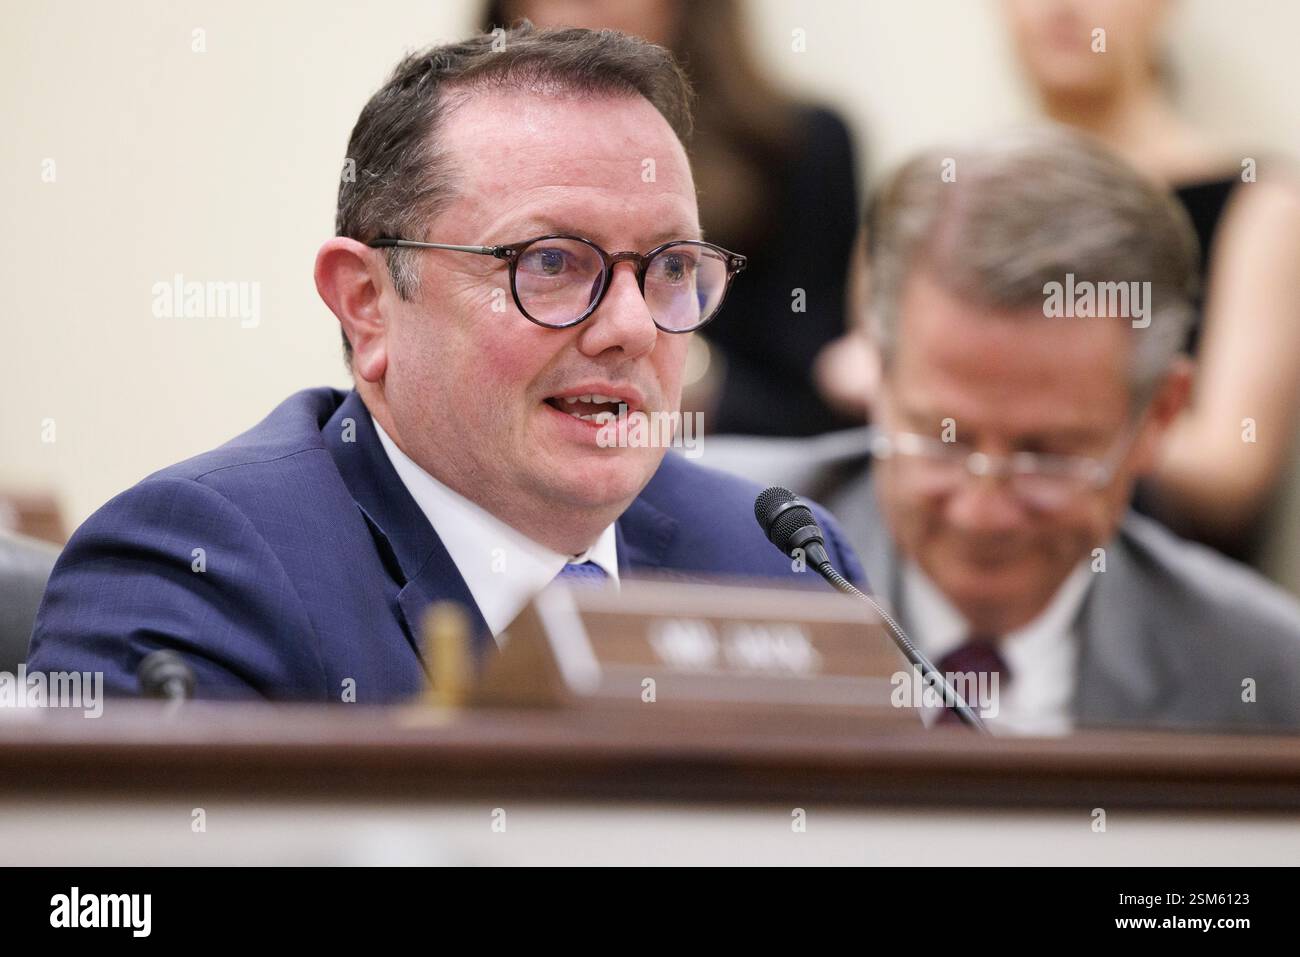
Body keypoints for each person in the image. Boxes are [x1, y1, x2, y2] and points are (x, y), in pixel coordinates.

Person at [27, 25, 861, 702]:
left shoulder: (782, 568)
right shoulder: (199, 572)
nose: (631, 327)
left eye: (670, 268)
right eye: (552, 262)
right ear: (366, 301)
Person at [703, 128, 1300, 735]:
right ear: (876, 375)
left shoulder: (1267, 680)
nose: (982, 514)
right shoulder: (685, 545)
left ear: (1159, 417)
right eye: (943, 441)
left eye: (1048, 456)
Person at [1003, 0, 1300, 565]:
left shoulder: (1258, 204)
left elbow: (1228, 469)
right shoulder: (946, 204)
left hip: (1174, 617)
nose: (1062, 9)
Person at [484, 0, 863, 437]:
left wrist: (686, 373)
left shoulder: (798, 147)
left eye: (674, 266)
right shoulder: (446, 148)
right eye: (550, 260)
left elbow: (809, 400)